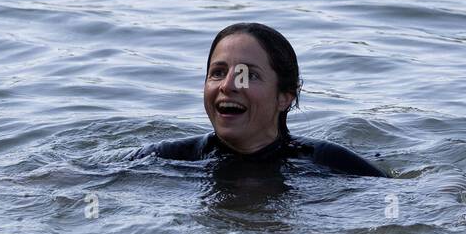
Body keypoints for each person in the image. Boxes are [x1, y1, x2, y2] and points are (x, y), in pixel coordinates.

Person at [136, 23, 387, 177]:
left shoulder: (329, 163)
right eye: (218, 73)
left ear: (284, 97)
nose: (228, 85)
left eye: (248, 75)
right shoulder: (164, 159)